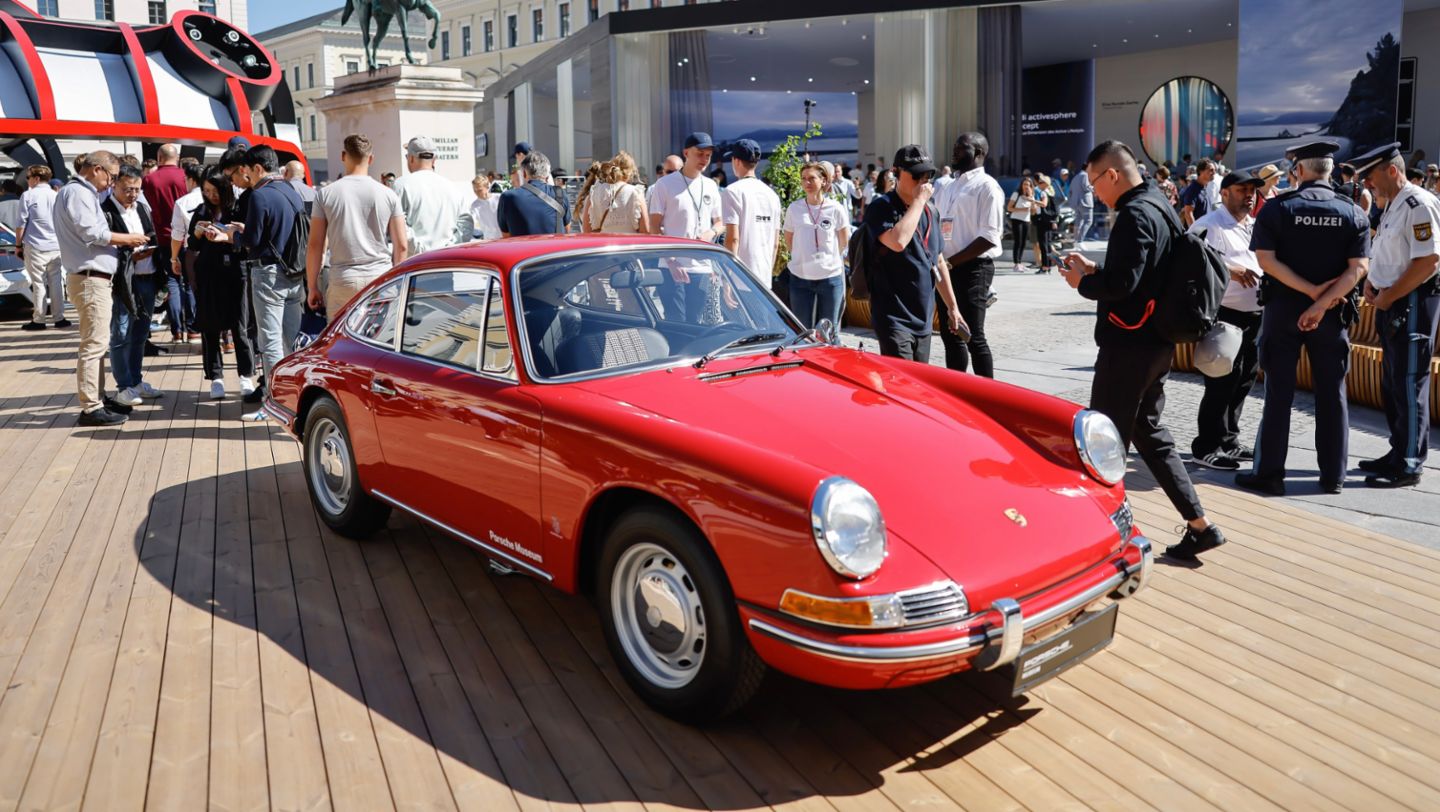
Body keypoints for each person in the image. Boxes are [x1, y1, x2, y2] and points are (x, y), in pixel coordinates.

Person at [1057, 140, 1225, 561]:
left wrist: (1084, 283)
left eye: (1095, 181)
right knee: (1149, 434)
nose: (1094, 191)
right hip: (1156, 343)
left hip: (1128, 344)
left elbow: (1123, 286)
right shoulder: (1159, 203)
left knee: (1101, 441)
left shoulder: (1134, 213)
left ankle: (1100, 536)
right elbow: (1147, 271)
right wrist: (1097, 269)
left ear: (1112, 174)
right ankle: (1199, 525)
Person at [1237, 140, 1370, 496]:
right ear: (1329, 170)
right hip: (1331, 315)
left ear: (1298, 170)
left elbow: (1266, 261)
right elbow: (1358, 269)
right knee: (1332, 392)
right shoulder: (1353, 211)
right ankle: (1333, 476)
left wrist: (1310, 293)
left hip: (1283, 311)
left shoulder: (1279, 208)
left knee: (1279, 391)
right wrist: (1322, 302)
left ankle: (1269, 474)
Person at [1353, 142, 1440, 488]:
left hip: (1413, 302)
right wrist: (1374, 285)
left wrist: (1389, 294)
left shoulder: (1419, 204)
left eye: (1371, 176)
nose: (1368, 184)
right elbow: (1390, 255)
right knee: (1391, 383)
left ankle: (1409, 462)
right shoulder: (1393, 205)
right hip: (1393, 301)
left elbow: (1428, 261)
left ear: (1391, 170)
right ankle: (1397, 449)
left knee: (1408, 382)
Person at [54, 150, 150, 426]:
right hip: (89, 277)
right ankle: (91, 405)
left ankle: (97, 398)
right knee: (94, 344)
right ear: (96, 169)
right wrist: (128, 238)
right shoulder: (80, 193)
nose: (111, 182)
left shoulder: (76, 192)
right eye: (111, 176)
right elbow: (93, 233)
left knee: (97, 342)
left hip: (89, 276)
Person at [210, 145, 307, 410]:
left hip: (268, 274)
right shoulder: (291, 190)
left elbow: (252, 240)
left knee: (270, 340)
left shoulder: (260, 195)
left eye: (247, 172)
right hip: (294, 274)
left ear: (257, 168)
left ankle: (274, 402)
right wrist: (246, 229)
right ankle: (295, 398)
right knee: (292, 340)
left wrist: (230, 235)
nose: (246, 178)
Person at [1188, 171, 1266, 470]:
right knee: (1221, 381)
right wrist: (1229, 268)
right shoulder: (1209, 224)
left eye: (1252, 190)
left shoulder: (1254, 225)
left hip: (1255, 315)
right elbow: (1188, 259)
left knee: (1244, 380)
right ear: (1224, 193)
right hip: (1225, 315)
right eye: (1241, 189)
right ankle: (1205, 446)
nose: (1249, 194)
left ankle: (1228, 440)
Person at [861, 145, 964, 362]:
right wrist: (918, 202)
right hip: (893, 317)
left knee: (918, 387)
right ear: (896, 172)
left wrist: (953, 308)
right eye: (917, 175)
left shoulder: (931, 211)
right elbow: (898, 241)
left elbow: (938, 261)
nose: (923, 181)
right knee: (902, 385)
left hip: (923, 317)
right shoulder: (881, 207)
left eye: (928, 175)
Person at [307, 133, 408, 317]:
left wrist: (312, 286)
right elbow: (401, 245)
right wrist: (397, 281)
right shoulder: (388, 194)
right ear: (371, 159)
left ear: (343, 156)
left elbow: (315, 245)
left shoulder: (325, 194)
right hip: (380, 276)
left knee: (339, 342)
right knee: (379, 340)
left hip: (343, 277)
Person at [936, 132, 1004, 377]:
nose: (954, 150)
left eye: (961, 147)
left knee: (973, 335)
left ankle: (988, 395)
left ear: (978, 153)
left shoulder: (988, 187)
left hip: (973, 269)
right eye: (954, 146)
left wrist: (950, 263)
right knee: (950, 334)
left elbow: (989, 237)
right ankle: (957, 390)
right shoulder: (947, 186)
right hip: (945, 269)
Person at [188, 169, 255, 400]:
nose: (211, 195)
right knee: (210, 327)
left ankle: (246, 375)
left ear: (224, 188)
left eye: (214, 190)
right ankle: (215, 377)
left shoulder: (237, 208)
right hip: (208, 274)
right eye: (206, 191)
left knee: (240, 326)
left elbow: (247, 241)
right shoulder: (202, 210)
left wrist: (228, 234)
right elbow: (192, 245)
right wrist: (197, 233)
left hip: (235, 273)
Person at [103, 164, 163, 407]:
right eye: (128, 189)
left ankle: (136, 381)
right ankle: (124, 385)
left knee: (139, 334)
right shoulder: (105, 211)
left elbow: (151, 233)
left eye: (137, 189)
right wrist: (130, 253)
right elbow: (103, 245)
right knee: (121, 334)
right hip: (123, 282)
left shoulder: (141, 208)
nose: (133, 194)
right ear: (115, 185)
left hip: (146, 277)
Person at [649, 133, 725, 319]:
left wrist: (712, 231)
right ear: (686, 153)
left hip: (702, 267)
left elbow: (721, 222)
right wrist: (670, 260)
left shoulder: (710, 185)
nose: (704, 159)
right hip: (672, 267)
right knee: (676, 322)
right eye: (699, 153)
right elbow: (654, 227)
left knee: (696, 323)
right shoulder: (664, 184)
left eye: (708, 155)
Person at [783, 162, 850, 335]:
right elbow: (789, 240)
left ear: (823, 180)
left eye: (812, 178)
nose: (807, 183)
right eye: (804, 179)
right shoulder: (794, 208)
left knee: (830, 332)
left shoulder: (835, 208)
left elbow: (844, 240)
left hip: (830, 279)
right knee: (802, 332)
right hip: (800, 278)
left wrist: (827, 259)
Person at [141, 144, 193, 343]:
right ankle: (193, 328)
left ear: (159, 157)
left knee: (171, 281)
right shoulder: (183, 176)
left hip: (163, 237)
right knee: (190, 283)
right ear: (177, 157)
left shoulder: (149, 180)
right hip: (188, 236)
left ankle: (177, 330)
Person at [393, 136, 471, 253]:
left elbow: (399, 226)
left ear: (411, 158)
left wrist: (421, 251)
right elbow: (466, 225)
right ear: (434, 160)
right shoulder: (453, 187)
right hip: (448, 261)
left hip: (414, 264)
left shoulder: (401, 185)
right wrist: (448, 248)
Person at [721, 139, 781, 289]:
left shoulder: (732, 191)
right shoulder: (772, 194)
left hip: (739, 279)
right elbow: (775, 244)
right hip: (764, 280)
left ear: (736, 161)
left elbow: (733, 239)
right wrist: (768, 275)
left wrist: (726, 281)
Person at [17, 165, 67, 330]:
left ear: (36, 178)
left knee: (38, 283)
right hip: (55, 245)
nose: (27, 180)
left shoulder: (28, 195)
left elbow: (21, 224)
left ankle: (39, 319)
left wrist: (18, 245)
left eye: (28, 177)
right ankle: (59, 318)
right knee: (56, 282)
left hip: (35, 245)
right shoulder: (56, 195)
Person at [497, 150, 571, 237]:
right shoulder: (560, 194)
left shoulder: (508, 197)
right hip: (555, 250)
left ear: (524, 173)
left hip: (523, 250)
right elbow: (567, 229)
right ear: (547, 176)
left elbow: (506, 236)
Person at [586, 151, 649, 235]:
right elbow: (645, 230)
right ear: (630, 172)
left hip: (602, 246)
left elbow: (586, 230)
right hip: (628, 246)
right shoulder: (635, 192)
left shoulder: (595, 192)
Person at [1006, 176, 1039, 271]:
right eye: (1024, 184)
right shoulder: (1017, 194)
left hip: (1026, 220)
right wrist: (1022, 209)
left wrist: (1033, 205)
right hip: (1016, 219)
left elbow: (1032, 212)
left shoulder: (1031, 196)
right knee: (1018, 241)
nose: (1026, 186)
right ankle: (1016, 263)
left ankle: (1020, 263)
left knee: (1024, 242)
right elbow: (1009, 208)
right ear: (1021, 185)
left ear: (1031, 186)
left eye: (1028, 185)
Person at [1031, 174, 1058, 273]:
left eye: (1041, 182)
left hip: (1043, 220)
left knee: (1043, 244)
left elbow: (1044, 205)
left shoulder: (1044, 193)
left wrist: (1033, 201)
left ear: (1045, 184)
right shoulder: (1050, 192)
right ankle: (1048, 266)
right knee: (1047, 244)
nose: (1039, 184)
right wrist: (1054, 221)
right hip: (1048, 221)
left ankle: (1045, 267)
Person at [1178, 159, 1215, 226]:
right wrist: (1196, 233)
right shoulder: (1193, 189)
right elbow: (1188, 214)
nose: (1214, 172)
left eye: (1214, 170)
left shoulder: (1204, 188)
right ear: (1201, 171)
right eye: (1211, 170)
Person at [470, 175, 502, 240]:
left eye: (479, 190)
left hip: (503, 238)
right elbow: (472, 222)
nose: (476, 193)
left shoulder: (499, 199)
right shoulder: (474, 205)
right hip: (488, 240)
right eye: (474, 190)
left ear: (487, 186)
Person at [1070, 162, 1095, 243]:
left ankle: (1076, 240)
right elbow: (1086, 187)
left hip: (1076, 203)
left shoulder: (1075, 177)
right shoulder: (1085, 175)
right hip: (1085, 202)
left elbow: (1071, 191)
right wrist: (1094, 187)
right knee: (1088, 221)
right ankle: (1080, 240)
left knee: (1078, 222)